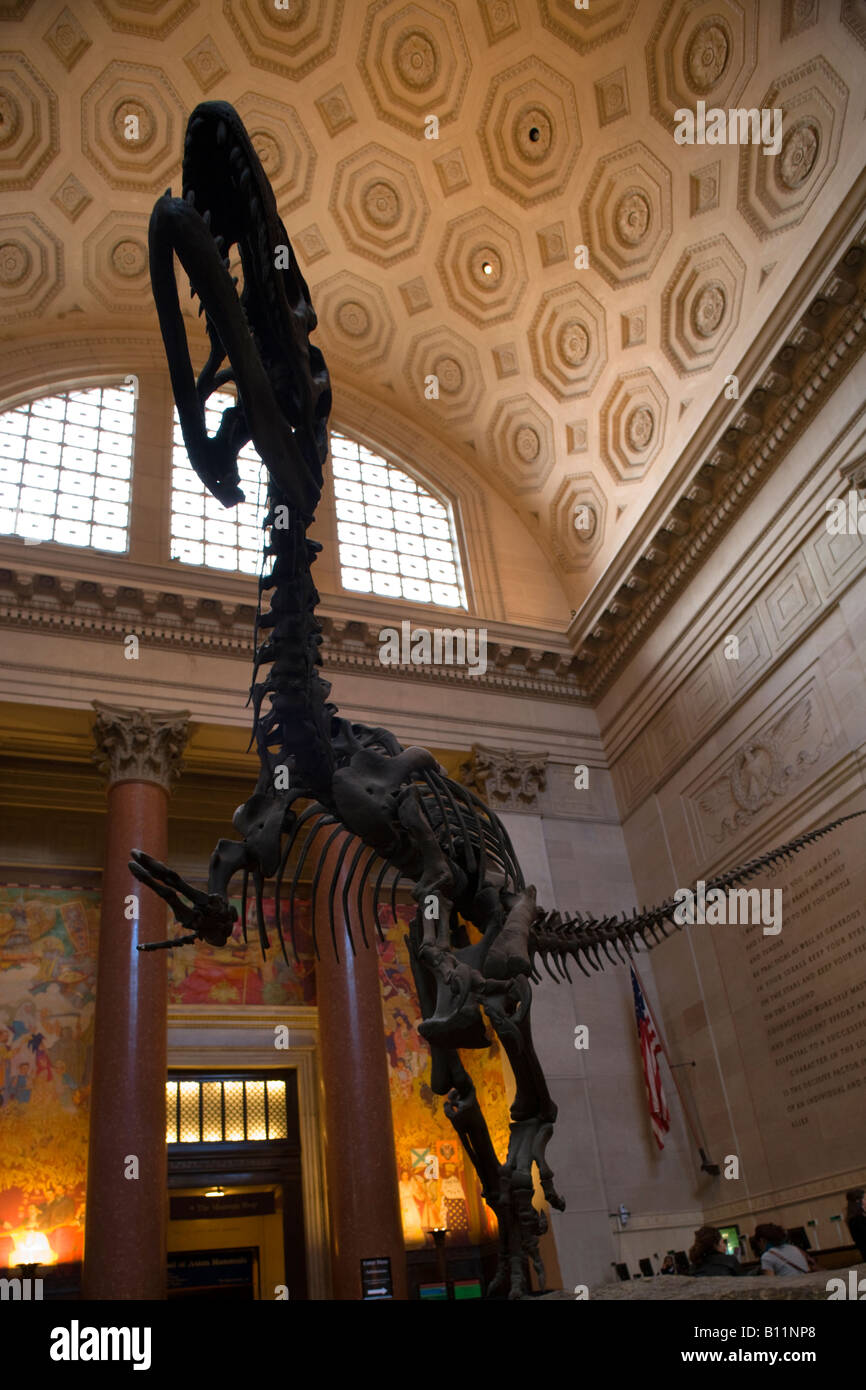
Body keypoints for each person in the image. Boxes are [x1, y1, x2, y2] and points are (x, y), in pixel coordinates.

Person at [845, 1188, 866, 1262]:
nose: (865, 1201)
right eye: (864, 1198)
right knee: (853, 1273)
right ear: (858, 1201)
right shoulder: (857, 1219)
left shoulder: (855, 1218)